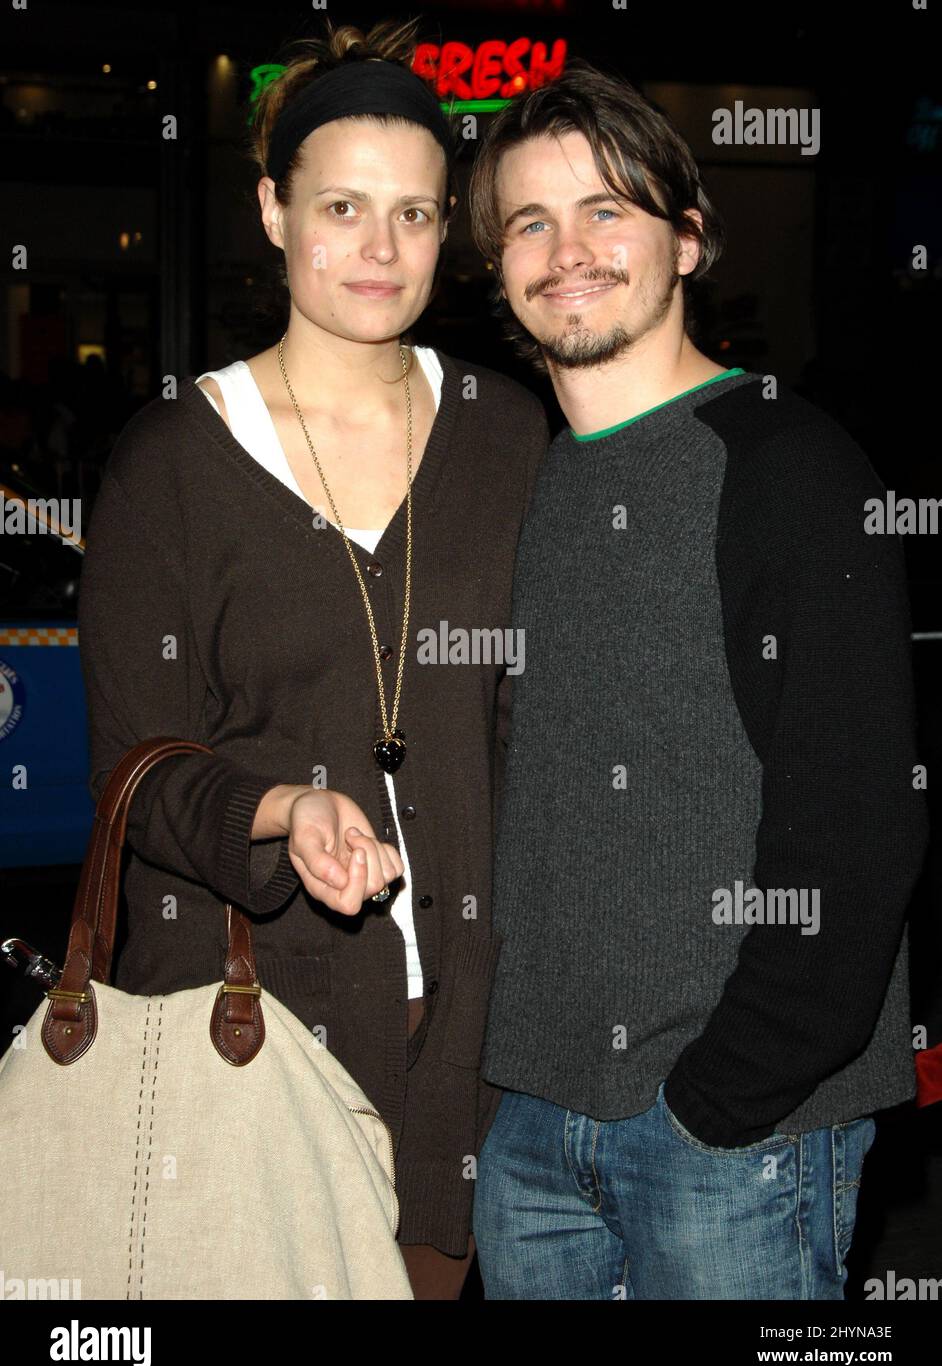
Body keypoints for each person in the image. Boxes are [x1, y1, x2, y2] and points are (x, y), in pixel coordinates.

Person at [77, 19, 548, 1301]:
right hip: (248, 1030)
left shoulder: (509, 437)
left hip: (464, 1048)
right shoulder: (172, 458)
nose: (381, 249)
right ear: (274, 211)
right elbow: (130, 763)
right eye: (342, 205)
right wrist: (277, 808)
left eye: (414, 214)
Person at [467, 60, 929, 1299]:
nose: (567, 248)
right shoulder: (526, 487)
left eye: (606, 209)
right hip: (527, 1126)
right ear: (499, 265)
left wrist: (717, 1103)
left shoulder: (791, 468)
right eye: (530, 220)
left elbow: (859, 829)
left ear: (687, 236)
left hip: (732, 1137)